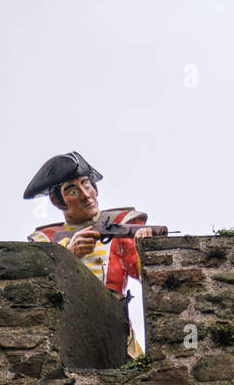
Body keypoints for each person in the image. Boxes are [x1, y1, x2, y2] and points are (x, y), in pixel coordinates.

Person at [23, 151, 163, 357]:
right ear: (58, 201)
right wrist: (68, 256)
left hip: (113, 324)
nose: (86, 194)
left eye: (86, 185)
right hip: (68, 327)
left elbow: (148, 275)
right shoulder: (44, 239)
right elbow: (37, 291)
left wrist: (146, 249)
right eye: (72, 191)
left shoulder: (122, 223)